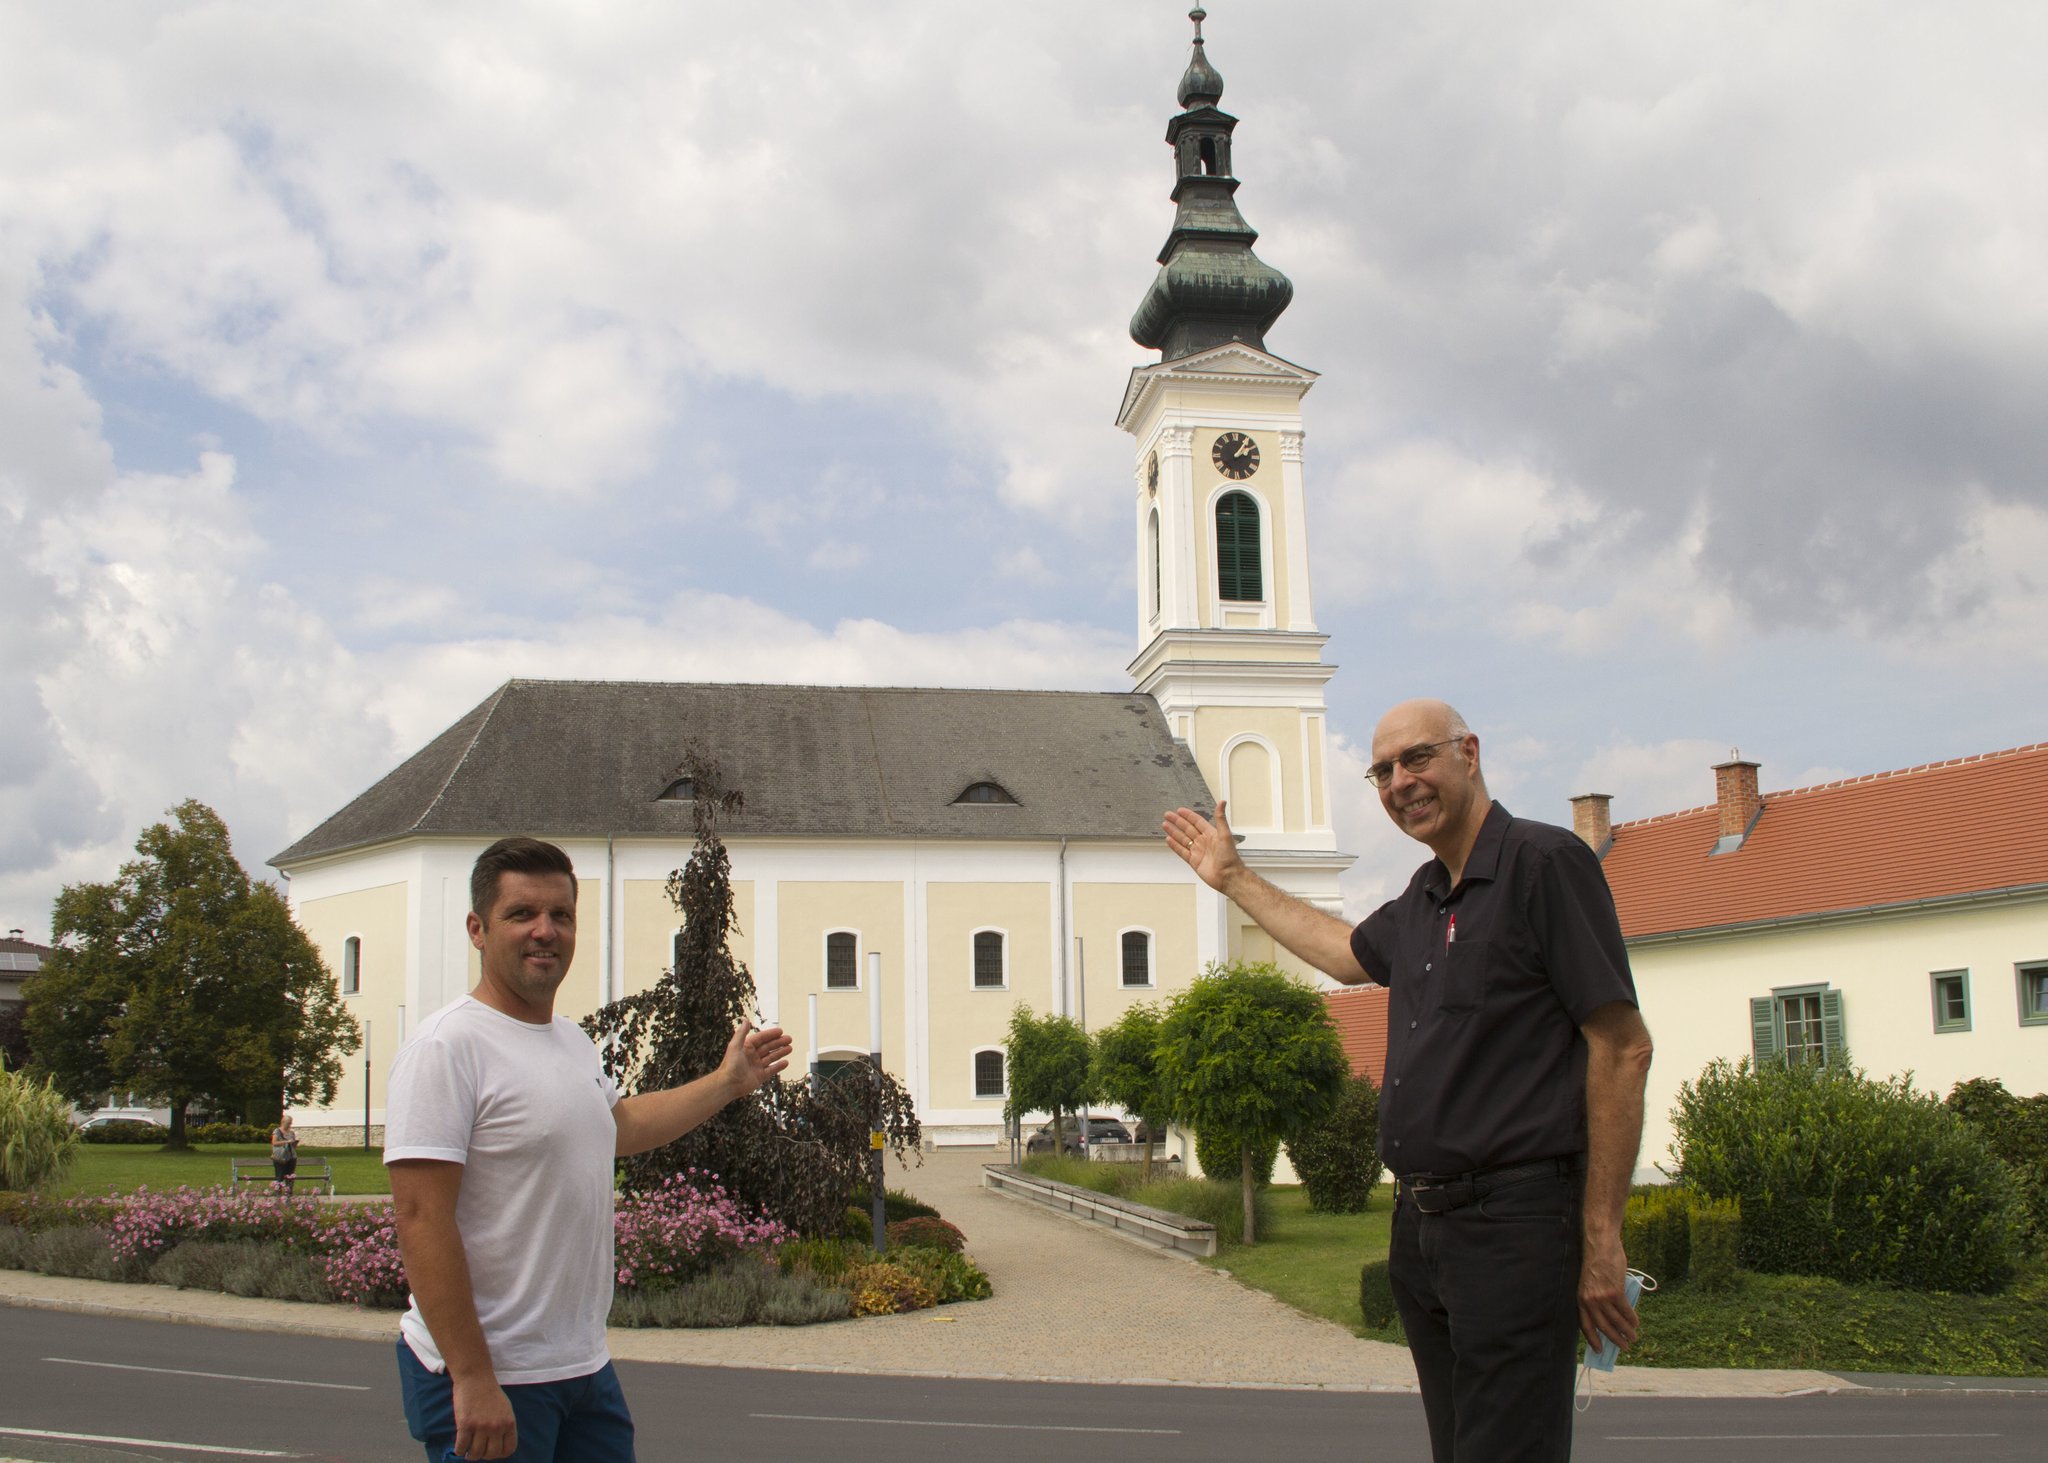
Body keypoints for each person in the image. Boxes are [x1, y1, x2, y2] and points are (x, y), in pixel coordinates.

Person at [1164, 698, 1653, 1463]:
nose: (1400, 782)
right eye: (1384, 770)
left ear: (1470, 752)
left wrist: (1602, 1240)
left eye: (1417, 758)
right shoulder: (1427, 895)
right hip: (1424, 1232)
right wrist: (1232, 877)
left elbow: (1622, 1048)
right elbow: (1342, 949)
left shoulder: (1544, 864)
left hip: (1515, 1226)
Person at [385, 836, 792, 1463]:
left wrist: (728, 1082)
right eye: (521, 914)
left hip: (580, 1366)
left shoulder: (569, 1042)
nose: (545, 931)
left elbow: (619, 1126)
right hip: (491, 1373)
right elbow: (419, 1217)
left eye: (561, 915)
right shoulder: (446, 1047)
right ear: (477, 928)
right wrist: (471, 1376)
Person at [270, 1113, 301, 1195]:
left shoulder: (291, 1133)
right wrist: (286, 1142)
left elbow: (293, 1146)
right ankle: (278, 1193)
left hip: (291, 1157)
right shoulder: (277, 1131)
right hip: (280, 1157)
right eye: (289, 1123)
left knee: (290, 1176)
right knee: (279, 1176)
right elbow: (274, 1143)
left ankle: (289, 1192)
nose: (290, 1125)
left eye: (291, 1123)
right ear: (284, 1122)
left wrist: (294, 1143)